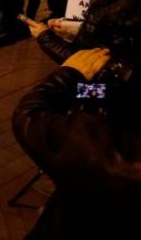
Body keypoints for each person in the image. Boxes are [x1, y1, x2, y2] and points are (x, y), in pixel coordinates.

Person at [12, 48, 141, 240]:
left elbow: (30, 116)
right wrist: (79, 88)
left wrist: (68, 75)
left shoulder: (112, 153)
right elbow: (121, 96)